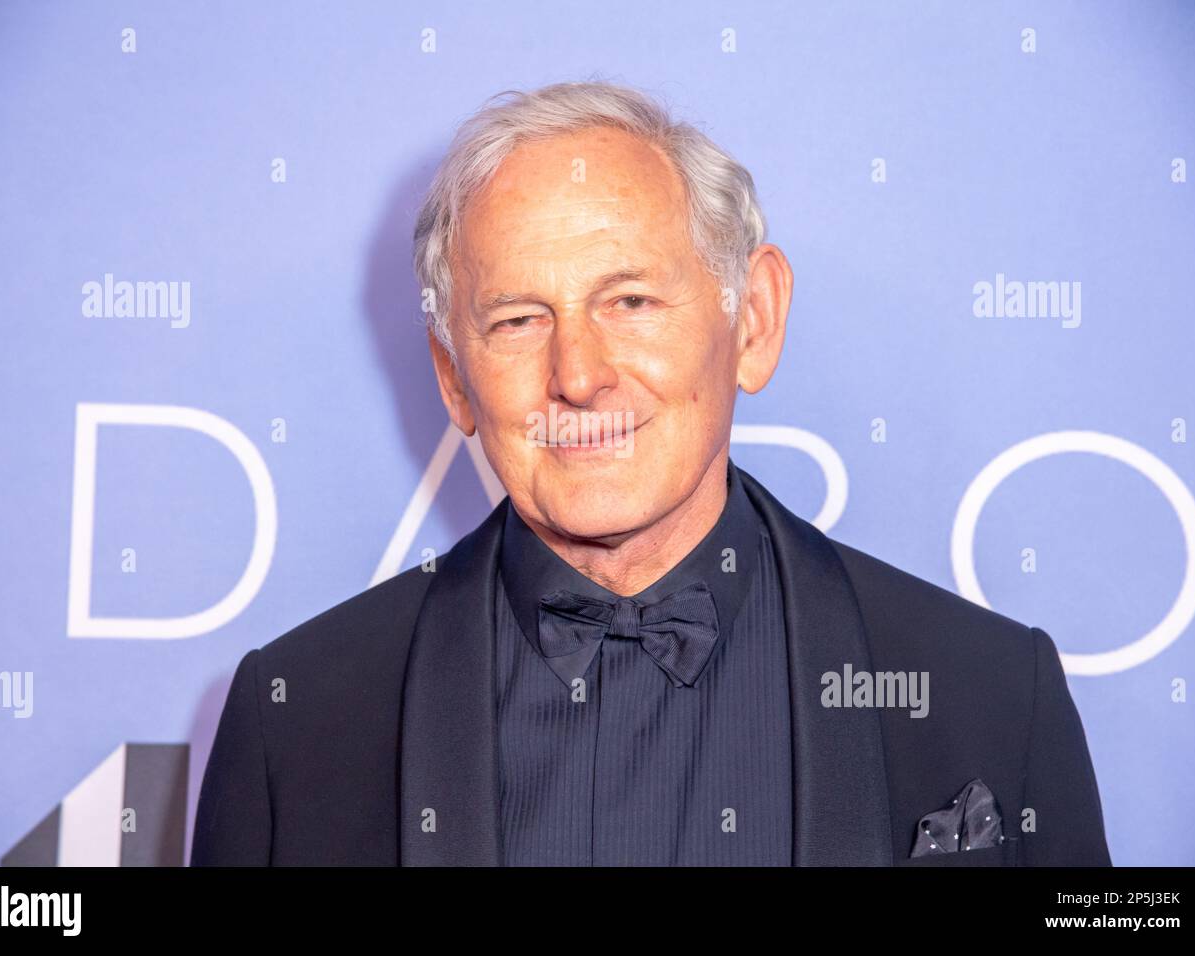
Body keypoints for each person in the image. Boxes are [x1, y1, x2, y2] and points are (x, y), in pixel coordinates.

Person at [191, 80, 1111, 866]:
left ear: (752, 319)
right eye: (517, 319)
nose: (579, 375)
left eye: (629, 301)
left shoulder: (987, 692)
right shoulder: (299, 722)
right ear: (452, 377)